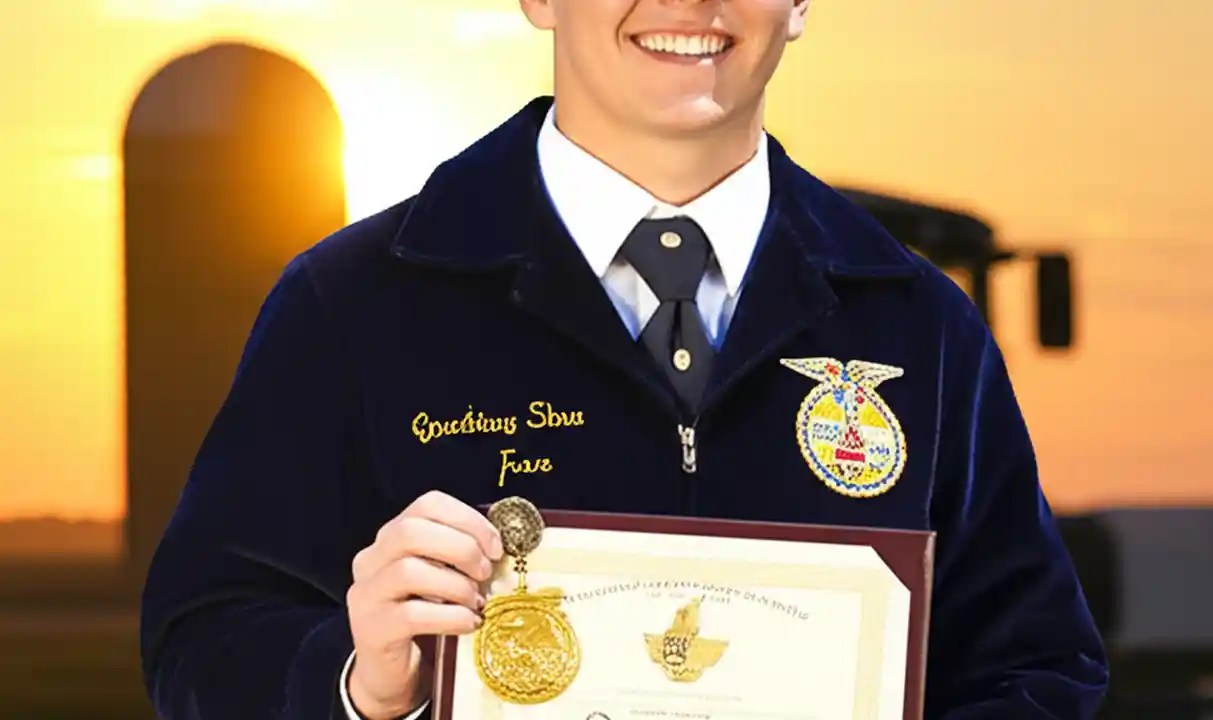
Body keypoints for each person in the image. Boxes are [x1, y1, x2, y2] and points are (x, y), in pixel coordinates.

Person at [139, 0, 1108, 718]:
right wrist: (352, 681)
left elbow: (1037, 665)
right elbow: (201, 637)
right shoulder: (348, 307)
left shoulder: (922, 330)